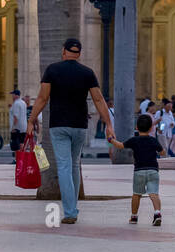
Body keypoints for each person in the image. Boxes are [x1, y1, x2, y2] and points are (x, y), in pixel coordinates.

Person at [26, 37, 113, 226]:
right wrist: (108, 124)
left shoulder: (52, 70)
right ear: (79, 53)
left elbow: (42, 98)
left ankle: (71, 211)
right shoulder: (87, 73)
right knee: (74, 165)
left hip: (59, 125)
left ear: (64, 51)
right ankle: (72, 207)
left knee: (65, 166)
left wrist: (31, 120)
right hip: (80, 125)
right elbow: (99, 100)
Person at [107, 113, 163, 226]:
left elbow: (120, 145)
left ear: (136, 127)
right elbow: (162, 152)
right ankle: (157, 213)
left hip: (139, 171)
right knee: (154, 193)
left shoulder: (134, 140)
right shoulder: (153, 140)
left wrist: (111, 140)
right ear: (151, 128)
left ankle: (134, 217)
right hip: (153, 170)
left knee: (137, 194)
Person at [8, 89, 28, 154]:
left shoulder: (16, 103)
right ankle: (21, 159)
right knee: (22, 143)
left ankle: (17, 159)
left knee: (16, 145)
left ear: (16, 95)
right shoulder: (23, 103)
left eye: (13, 94)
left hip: (17, 127)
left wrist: (13, 128)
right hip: (24, 127)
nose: (12, 96)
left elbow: (15, 117)